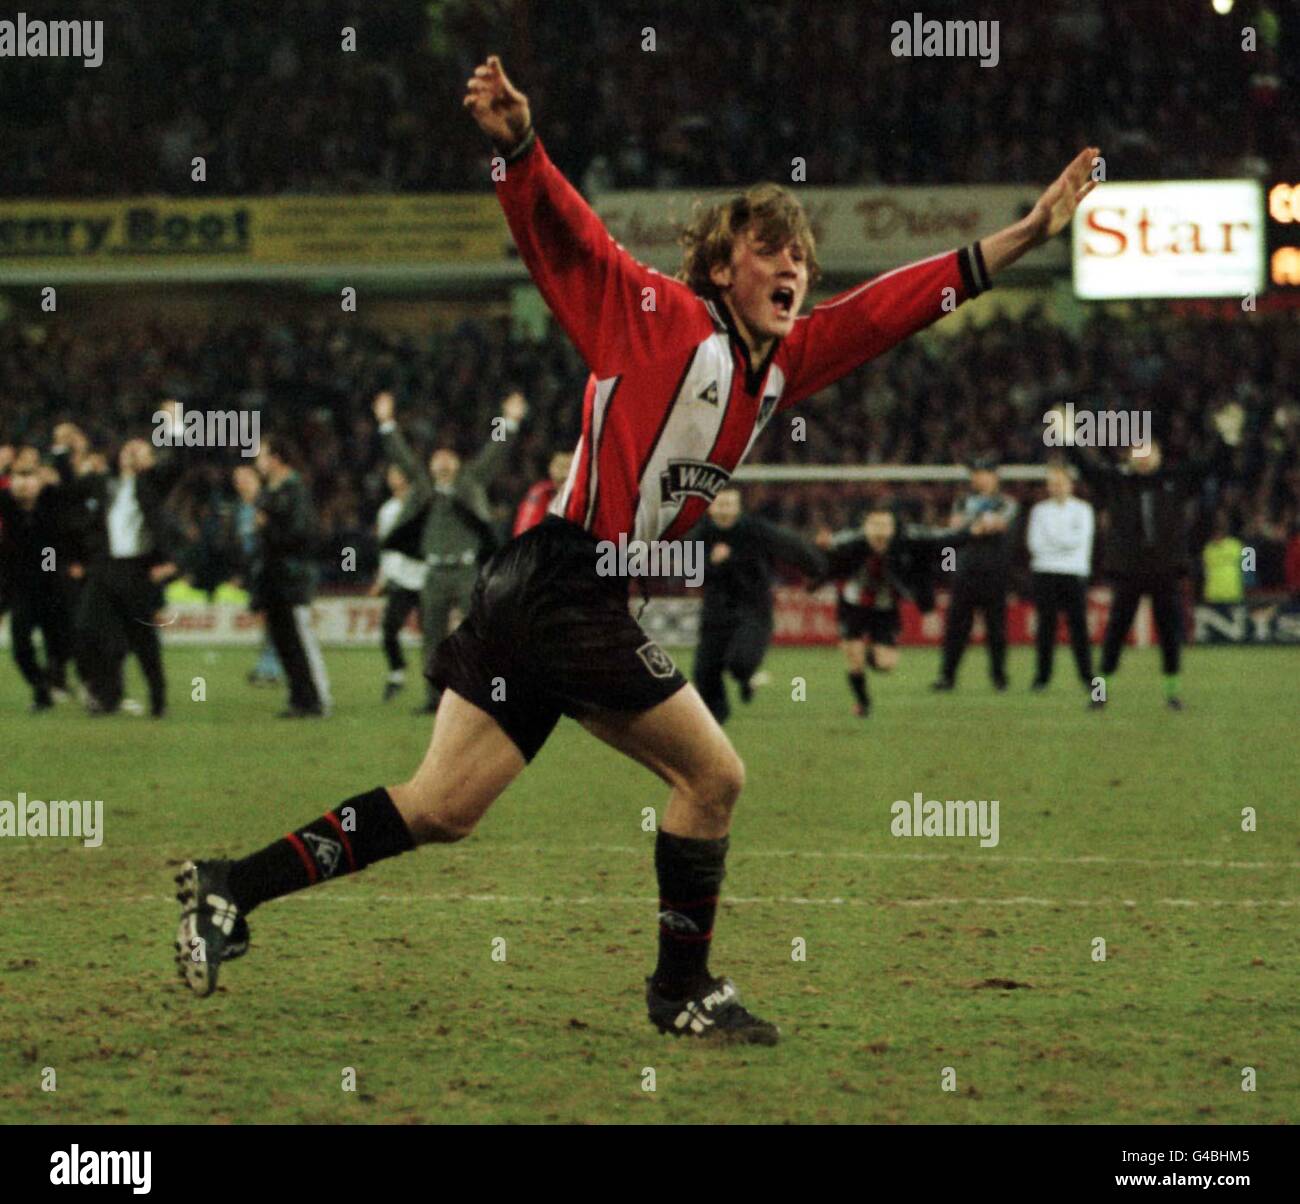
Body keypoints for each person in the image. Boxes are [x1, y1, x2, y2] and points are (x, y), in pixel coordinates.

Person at [176, 54, 1098, 1042]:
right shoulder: (656, 314)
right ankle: (680, 990)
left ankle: (232, 886)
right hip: (563, 582)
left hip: (538, 592)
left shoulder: (781, 366)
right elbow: (568, 240)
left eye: (802, 255)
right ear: (719, 266)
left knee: (441, 805)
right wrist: (520, 149)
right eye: (769, 248)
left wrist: (1029, 233)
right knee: (714, 777)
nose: (793, 266)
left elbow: (892, 307)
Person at [1075, 405, 1242, 709]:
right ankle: (1099, 694)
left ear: (1158, 453)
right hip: (1128, 570)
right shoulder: (1117, 482)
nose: (1142, 455)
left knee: (1169, 635)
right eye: (1136, 449)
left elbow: (1212, 465)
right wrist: (1067, 437)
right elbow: (1087, 469)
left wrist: (1227, 437)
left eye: (1147, 449)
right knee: (1114, 635)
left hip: (1165, 570)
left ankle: (1172, 694)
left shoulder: (1176, 480)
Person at [372, 388, 525, 713]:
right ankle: (434, 698)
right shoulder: (423, 486)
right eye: (437, 457)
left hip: (466, 571)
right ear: (430, 464)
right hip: (435, 572)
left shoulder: (470, 481)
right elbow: (400, 456)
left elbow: (494, 453)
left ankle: (481, 694)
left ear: (457, 462)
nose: (442, 461)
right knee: (433, 638)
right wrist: (386, 422)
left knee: (477, 636)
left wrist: (509, 420)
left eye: (448, 456)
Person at [53, 412, 183, 717]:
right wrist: (62, 448)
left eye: (141, 450)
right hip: (105, 568)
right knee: (86, 630)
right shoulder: (104, 483)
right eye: (129, 448)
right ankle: (104, 695)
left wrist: (174, 426)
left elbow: (178, 464)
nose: (133, 452)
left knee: (142, 640)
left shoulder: (152, 484)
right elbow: (69, 490)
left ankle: (157, 699)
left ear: (150, 460)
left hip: (138, 570)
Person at [687, 486, 825, 724]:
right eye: (720, 505)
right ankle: (717, 721)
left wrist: (816, 567)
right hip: (716, 612)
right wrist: (713, 564)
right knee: (703, 674)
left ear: (738, 507)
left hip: (754, 610)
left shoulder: (755, 530)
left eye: (730, 505)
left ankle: (746, 679)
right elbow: (693, 576)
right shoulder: (699, 536)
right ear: (710, 507)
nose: (725, 511)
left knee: (740, 663)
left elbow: (790, 545)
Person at [821, 506, 968, 716]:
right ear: (865, 528)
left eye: (885, 526)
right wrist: (823, 551)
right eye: (875, 526)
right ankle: (863, 703)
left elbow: (944, 543)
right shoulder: (849, 542)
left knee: (886, 663)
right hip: (853, 605)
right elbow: (822, 556)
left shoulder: (906, 543)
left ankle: (872, 648)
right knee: (854, 658)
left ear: (893, 529)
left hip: (885, 608)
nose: (880, 531)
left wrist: (971, 532)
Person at [250, 434, 331, 718]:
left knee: (300, 640)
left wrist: (267, 524)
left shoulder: (295, 490)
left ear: (276, 459)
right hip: (275, 577)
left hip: (292, 576)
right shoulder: (271, 490)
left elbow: (302, 536)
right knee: (285, 643)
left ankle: (318, 699)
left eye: (261, 455)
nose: (257, 460)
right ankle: (300, 698)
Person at [933, 456, 1018, 692]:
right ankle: (946, 676)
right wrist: (979, 525)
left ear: (994, 476)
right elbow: (955, 526)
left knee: (996, 629)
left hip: (994, 573)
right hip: (964, 572)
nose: (977, 478)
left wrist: (973, 526)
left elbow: (999, 523)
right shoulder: (962, 501)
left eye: (982, 473)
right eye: (975, 473)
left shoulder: (1006, 502)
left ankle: (999, 677)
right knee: (956, 628)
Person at [0, 447, 74, 711]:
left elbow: (70, 490)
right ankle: (41, 687)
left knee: (59, 643)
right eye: (17, 477)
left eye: (29, 476)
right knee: (20, 646)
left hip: (52, 586)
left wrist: (61, 460)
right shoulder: (8, 506)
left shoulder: (51, 501)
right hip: (21, 589)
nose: (23, 483)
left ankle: (56, 681)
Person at [1026, 463, 1097, 700]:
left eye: (1060, 482)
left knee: (1079, 628)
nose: (1056, 487)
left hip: (1074, 572)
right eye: (1052, 483)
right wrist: (1061, 544)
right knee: (1046, 627)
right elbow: (1034, 544)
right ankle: (1041, 677)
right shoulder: (1039, 510)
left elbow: (1078, 541)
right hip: (1045, 572)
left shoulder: (1083, 510)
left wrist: (1053, 542)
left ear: (1070, 484)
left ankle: (1087, 676)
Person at [372, 462, 428, 702]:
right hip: (400, 579)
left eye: (398, 473)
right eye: (391, 474)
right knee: (388, 629)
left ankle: (440, 685)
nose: (393, 478)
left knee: (433, 636)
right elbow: (386, 548)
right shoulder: (387, 510)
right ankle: (397, 672)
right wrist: (382, 577)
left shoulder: (425, 506)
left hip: (426, 577)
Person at [228, 464, 283, 688]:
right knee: (267, 621)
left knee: (275, 622)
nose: (240, 483)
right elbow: (240, 545)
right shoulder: (240, 509)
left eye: (244, 478)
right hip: (254, 572)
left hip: (272, 570)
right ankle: (269, 666)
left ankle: (271, 668)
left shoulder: (268, 503)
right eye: (236, 479)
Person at [513, 450, 574, 536]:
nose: (564, 473)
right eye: (561, 466)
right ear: (550, 468)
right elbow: (525, 533)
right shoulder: (542, 493)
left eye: (569, 467)